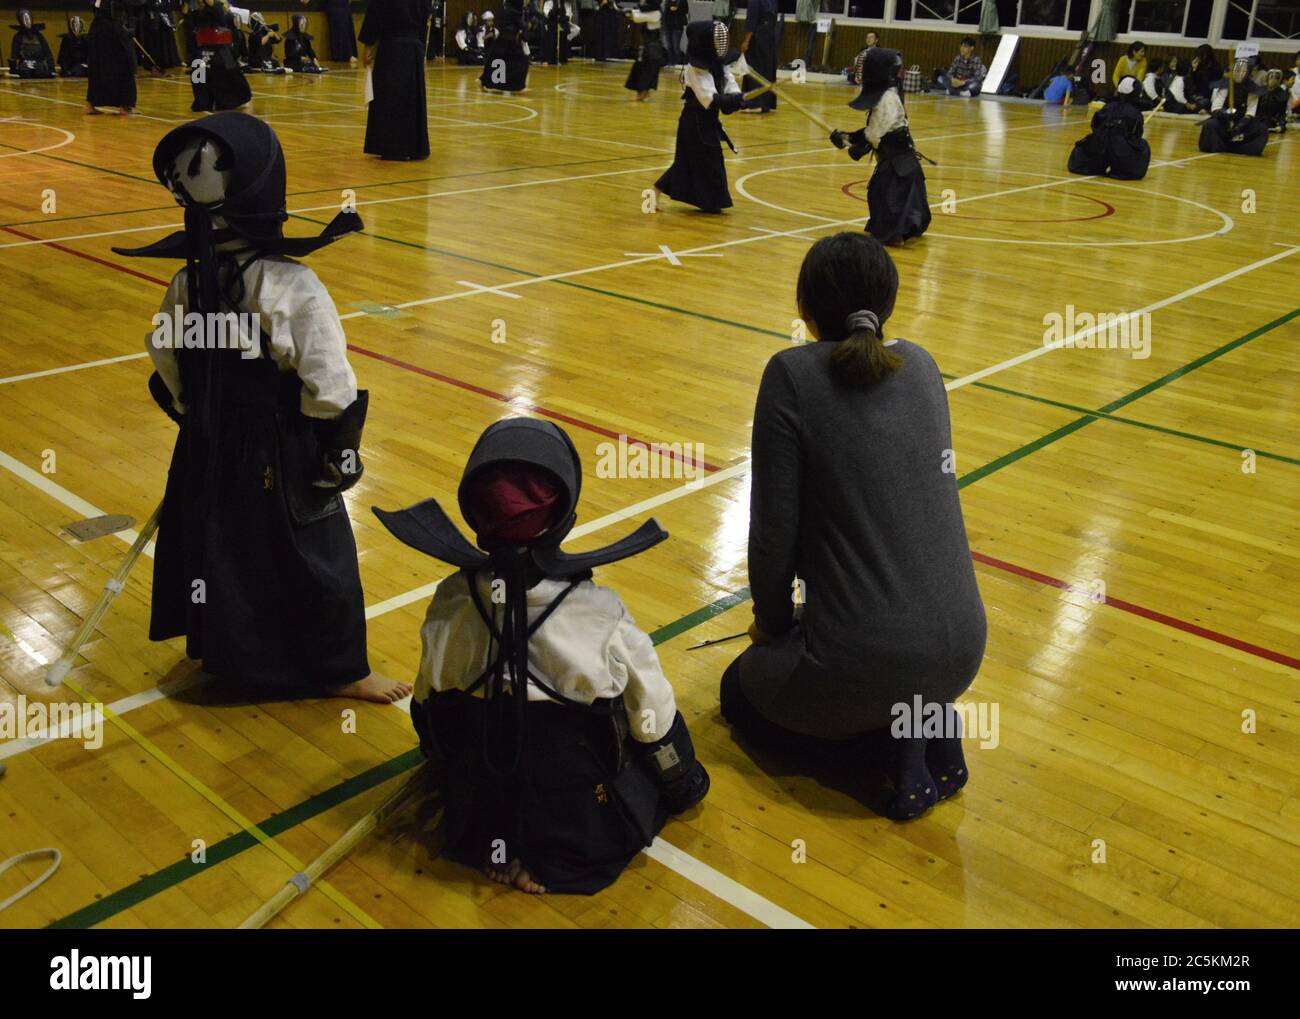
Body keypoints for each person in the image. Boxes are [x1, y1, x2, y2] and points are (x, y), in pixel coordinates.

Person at [111, 114, 409, 706]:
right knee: (315, 553)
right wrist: (336, 447)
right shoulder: (290, 286)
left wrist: (195, 414)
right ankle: (340, 668)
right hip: (283, 442)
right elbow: (327, 382)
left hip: (210, 440)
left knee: (219, 542)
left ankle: (230, 656)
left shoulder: (185, 284)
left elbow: (165, 360)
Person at [374, 418, 709, 894]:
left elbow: (429, 705)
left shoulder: (450, 599)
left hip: (483, 786)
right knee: (627, 741)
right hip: (571, 800)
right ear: (565, 516)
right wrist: (682, 784)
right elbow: (651, 716)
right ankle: (552, 855)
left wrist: (444, 759)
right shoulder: (599, 611)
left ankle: (499, 841)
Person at [721, 231, 986, 822]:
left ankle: (886, 752)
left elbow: (773, 533)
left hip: (870, 660)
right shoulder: (922, 365)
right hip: (963, 649)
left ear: (804, 308)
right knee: (855, 659)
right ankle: (918, 723)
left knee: (738, 695)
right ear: (887, 302)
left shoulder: (790, 375)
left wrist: (769, 623)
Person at [830, 47, 930, 246]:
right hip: (892, 162)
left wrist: (851, 144)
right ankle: (895, 229)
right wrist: (846, 137)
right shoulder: (885, 95)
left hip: (898, 165)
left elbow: (874, 135)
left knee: (885, 195)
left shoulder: (888, 100)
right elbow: (871, 131)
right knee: (881, 193)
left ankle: (894, 234)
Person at [653, 20, 752, 213]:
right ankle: (656, 191)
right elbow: (709, 99)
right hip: (693, 121)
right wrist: (734, 100)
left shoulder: (718, 64)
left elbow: (729, 83)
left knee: (700, 161)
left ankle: (711, 201)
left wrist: (737, 97)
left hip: (708, 121)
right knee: (691, 161)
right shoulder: (694, 70)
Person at [360, 0, 430, 161]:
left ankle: (392, 146)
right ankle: (415, 147)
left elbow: (376, 11)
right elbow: (425, 16)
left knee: (390, 98)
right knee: (412, 99)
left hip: (392, 47)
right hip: (414, 48)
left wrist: (369, 44)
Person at [1067, 75, 1151, 179]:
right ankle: (1119, 170)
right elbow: (1136, 136)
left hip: (1099, 149)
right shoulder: (1135, 113)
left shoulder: (1107, 107)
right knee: (1143, 146)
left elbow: (1095, 125)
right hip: (1119, 153)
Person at [184, 0, 252, 111]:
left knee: (223, 73)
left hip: (219, 50)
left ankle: (227, 100)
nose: (199, 3)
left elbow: (218, 14)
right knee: (198, 75)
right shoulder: (196, 13)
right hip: (202, 49)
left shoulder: (217, 9)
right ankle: (203, 102)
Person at [1198, 58, 1269, 155]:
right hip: (1223, 120)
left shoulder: (1252, 89)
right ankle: (1220, 147)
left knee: (1262, 130)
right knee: (1210, 125)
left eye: (1243, 71)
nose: (1239, 73)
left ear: (1248, 72)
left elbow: (1250, 112)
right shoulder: (1224, 85)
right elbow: (1216, 107)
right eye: (1237, 70)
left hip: (1243, 122)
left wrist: (1239, 126)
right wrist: (1225, 116)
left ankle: (1240, 149)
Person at [85, 0, 137, 114]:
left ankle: (90, 104)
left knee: (97, 67)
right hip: (114, 28)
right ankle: (125, 106)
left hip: (96, 28)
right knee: (127, 65)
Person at [481, 1, 530, 92]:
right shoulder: (514, 12)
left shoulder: (507, 10)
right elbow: (521, 25)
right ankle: (509, 86)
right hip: (509, 41)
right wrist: (526, 27)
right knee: (520, 63)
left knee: (499, 61)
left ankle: (492, 84)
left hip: (505, 40)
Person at [738, 0, 777, 113]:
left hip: (758, 38)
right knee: (767, 70)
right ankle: (766, 103)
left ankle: (755, 104)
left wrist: (746, 41)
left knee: (754, 70)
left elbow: (751, 21)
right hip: (769, 38)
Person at [623, 0, 665, 101]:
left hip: (653, 47)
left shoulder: (656, 13)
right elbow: (638, 12)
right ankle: (643, 93)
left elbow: (637, 17)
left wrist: (628, 12)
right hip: (647, 45)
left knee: (647, 70)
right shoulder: (650, 11)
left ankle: (643, 93)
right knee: (640, 68)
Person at [137, 0, 184, 74]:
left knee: (165, 41)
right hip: (151, 17)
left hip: (163, 18)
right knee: (153, 42)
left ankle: (166, 62)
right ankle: (154, 65)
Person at [9, 9, 56, 78]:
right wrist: (13, 70)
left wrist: (52, 69)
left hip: (39, 63)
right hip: (25, 64)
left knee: (40, 73)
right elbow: (14, 53)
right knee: (25, 72)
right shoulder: (18, 37)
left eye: (28, 18)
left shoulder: (39, 36)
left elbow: (47, 52)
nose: (27, 21)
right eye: (24, 19)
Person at [1187, 43, 1221, 111]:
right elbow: (1191, 84)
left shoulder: (1215, 67)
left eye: (1199, 55)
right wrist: (1193, 70)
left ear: (1205, 55)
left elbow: (1213, 88)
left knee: (1202, 103)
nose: (1197, 58)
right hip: (1196, 95)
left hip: (1208, 96)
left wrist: (1201, 96)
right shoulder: (1198, 66)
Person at [662, 0, 685, 66]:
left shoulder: (682, 1)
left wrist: (677, 9)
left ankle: (677, 63)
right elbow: (665, 12)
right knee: (669, 46)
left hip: (677, 26)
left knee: (676, 47)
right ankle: (670, 63)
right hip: (668, 25)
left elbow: (685, 10)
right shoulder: (667, 1)